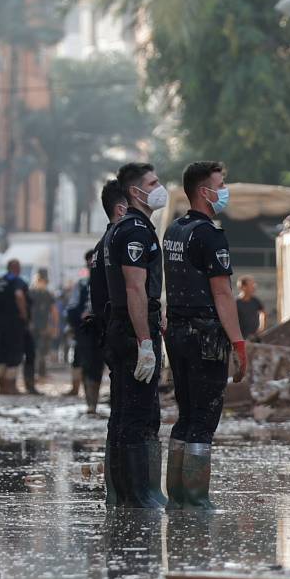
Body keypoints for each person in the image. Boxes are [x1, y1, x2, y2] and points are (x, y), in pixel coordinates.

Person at [160, 159, 248, 508]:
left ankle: (177, 496)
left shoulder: (174, 231)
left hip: (177, 334)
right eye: (220, 184)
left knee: (185, 414)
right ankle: (196, 498)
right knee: (204, 417)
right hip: (206, 336)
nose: (224, 191)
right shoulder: (210, 235)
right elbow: (223, 293)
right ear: (203, 191)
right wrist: (239, 343)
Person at [104, 159, 170, 508]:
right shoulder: (134, 230)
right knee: (138, 413)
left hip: (124, 328)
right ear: (136, 191)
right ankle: (138, 494)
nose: (160, 188)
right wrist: (145, 341)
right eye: (153, 182)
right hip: (132, 332)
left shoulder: (125, 228)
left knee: (125, 412)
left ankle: (125, 493)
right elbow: (134, 289)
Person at [73, 179, 126, 421]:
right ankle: (91, 405)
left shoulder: (105, 245)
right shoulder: (109, 247)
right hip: (96, 325)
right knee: (91, 368)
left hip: (103, 323)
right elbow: (75, 305)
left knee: (105, 369)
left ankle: (104, 406)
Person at [0, 258, 32, 395]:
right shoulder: (17, 281)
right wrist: (24, 315)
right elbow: (19, 296)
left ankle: (1, 387)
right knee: (15, 354)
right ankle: (11, 387)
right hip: (14, 324)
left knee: (1, 355)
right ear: (16, 268)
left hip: (0, 325)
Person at [28, 269, 57, 393]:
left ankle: (41, 374)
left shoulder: (48, 294)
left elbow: (54, 311)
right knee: (33, 352)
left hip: (44, 327)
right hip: (32, 327)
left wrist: (54, 326)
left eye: (43, 281)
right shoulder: (31, 293)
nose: (41, 283)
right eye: (40, 280)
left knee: (42, 352)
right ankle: (33, 375)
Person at [235, 274, 265, 340]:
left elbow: (263, 314)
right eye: (251, 285)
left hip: (254, 338)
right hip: (240, 338)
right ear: (243, 287)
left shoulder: (256, 301)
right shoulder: (235, 303)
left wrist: (261, 328)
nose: (254, 287)